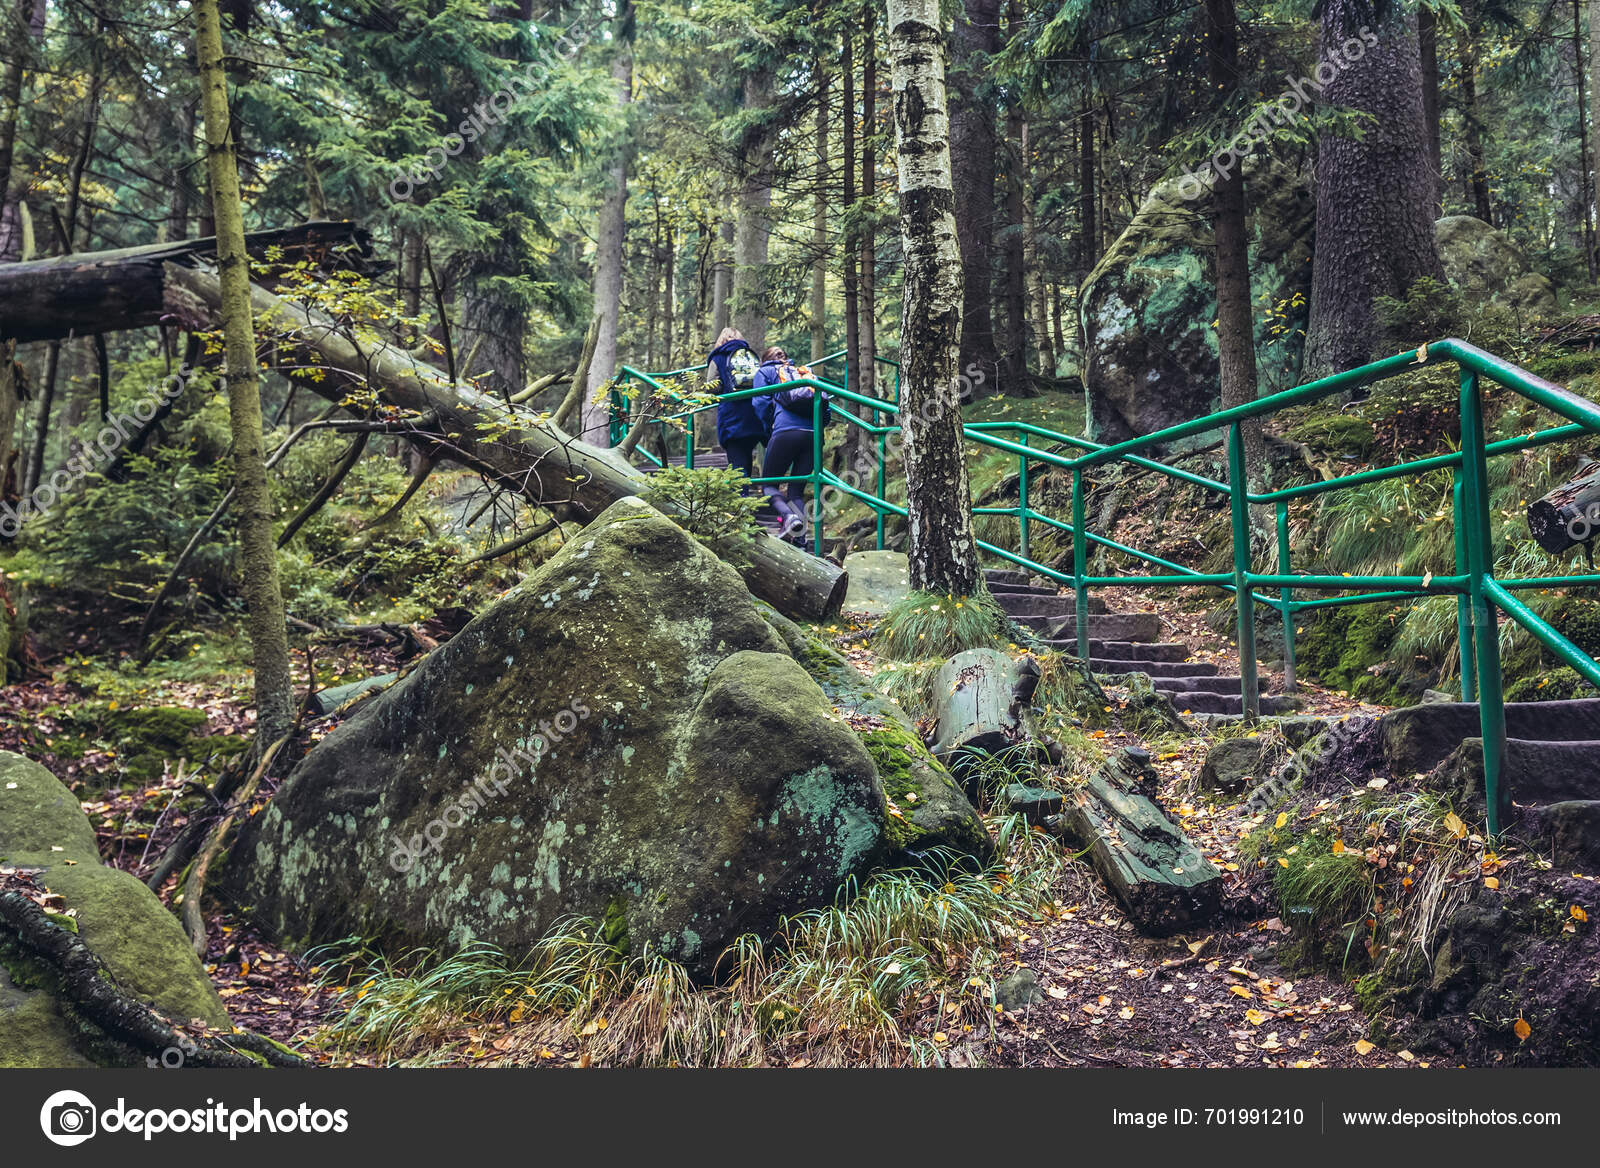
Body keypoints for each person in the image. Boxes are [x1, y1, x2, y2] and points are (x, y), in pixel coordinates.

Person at [751, 346, 830, 546]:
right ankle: (800, 540)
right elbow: (825, 409)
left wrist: (770, 429)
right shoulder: (805, 373)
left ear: (765, 359)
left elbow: (760, 403)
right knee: (796, 491)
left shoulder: (765, 371)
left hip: (785, 431)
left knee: (768, 485)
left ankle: (788, 517)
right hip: (814, 435)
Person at [704, 328, 762, 483]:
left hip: (731, 417)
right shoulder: (749, 355)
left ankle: (741, 503)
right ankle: (749, 500)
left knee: (737, 464)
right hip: (753, 415)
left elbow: (712, 386)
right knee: (747, 459)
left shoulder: (718, 357)